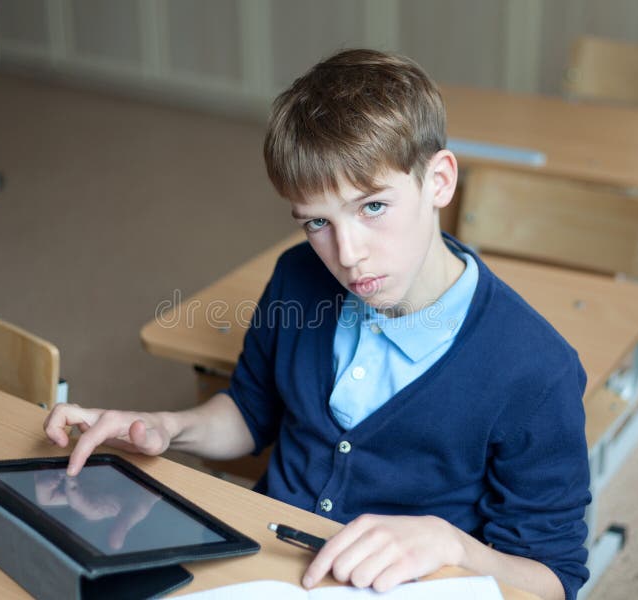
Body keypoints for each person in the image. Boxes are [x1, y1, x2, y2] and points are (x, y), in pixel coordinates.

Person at [44, 49, 590, 600]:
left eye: (372, 207)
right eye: (317, 223)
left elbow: (553, 578)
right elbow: (251, 412)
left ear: (439, 182)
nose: (348, 254)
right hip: (260, 567)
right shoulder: (296, 278)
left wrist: (453, 545)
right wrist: (166, 427)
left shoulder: (536, 369)